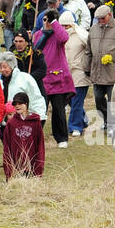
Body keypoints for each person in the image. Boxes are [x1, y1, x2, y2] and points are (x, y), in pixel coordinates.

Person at [32, 12, 74, 147]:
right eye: (44, 20)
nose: (47, 22)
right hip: (42, 78)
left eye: (49, 20)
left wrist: (54, 22)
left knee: (58, 110)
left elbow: (64, 37)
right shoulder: (38, 34)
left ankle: (62, 138)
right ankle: (36, 138)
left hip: (57, 78)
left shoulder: (58, 34)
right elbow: (35, 49)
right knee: (40, 109)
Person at [88, 6, 115, 132]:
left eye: (102, 18)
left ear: (109, 15)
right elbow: (88, 50)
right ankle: (107, 120)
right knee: (98, 99)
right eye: (98, 19)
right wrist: (87, 67)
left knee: (113, 102)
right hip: (97, 72)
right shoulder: (93, 29)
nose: (100, 21)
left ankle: (112, 124)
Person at [3, 92, 45, 178]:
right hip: (16, 168)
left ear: (26, 104)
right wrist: (9, 170)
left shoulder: (35, 122)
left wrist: (38, 168)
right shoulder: (11, 123)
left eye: (20, 103)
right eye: (15, 104)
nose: (17, 106)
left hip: (32, 167)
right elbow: (7, 147)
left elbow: (40, 144)